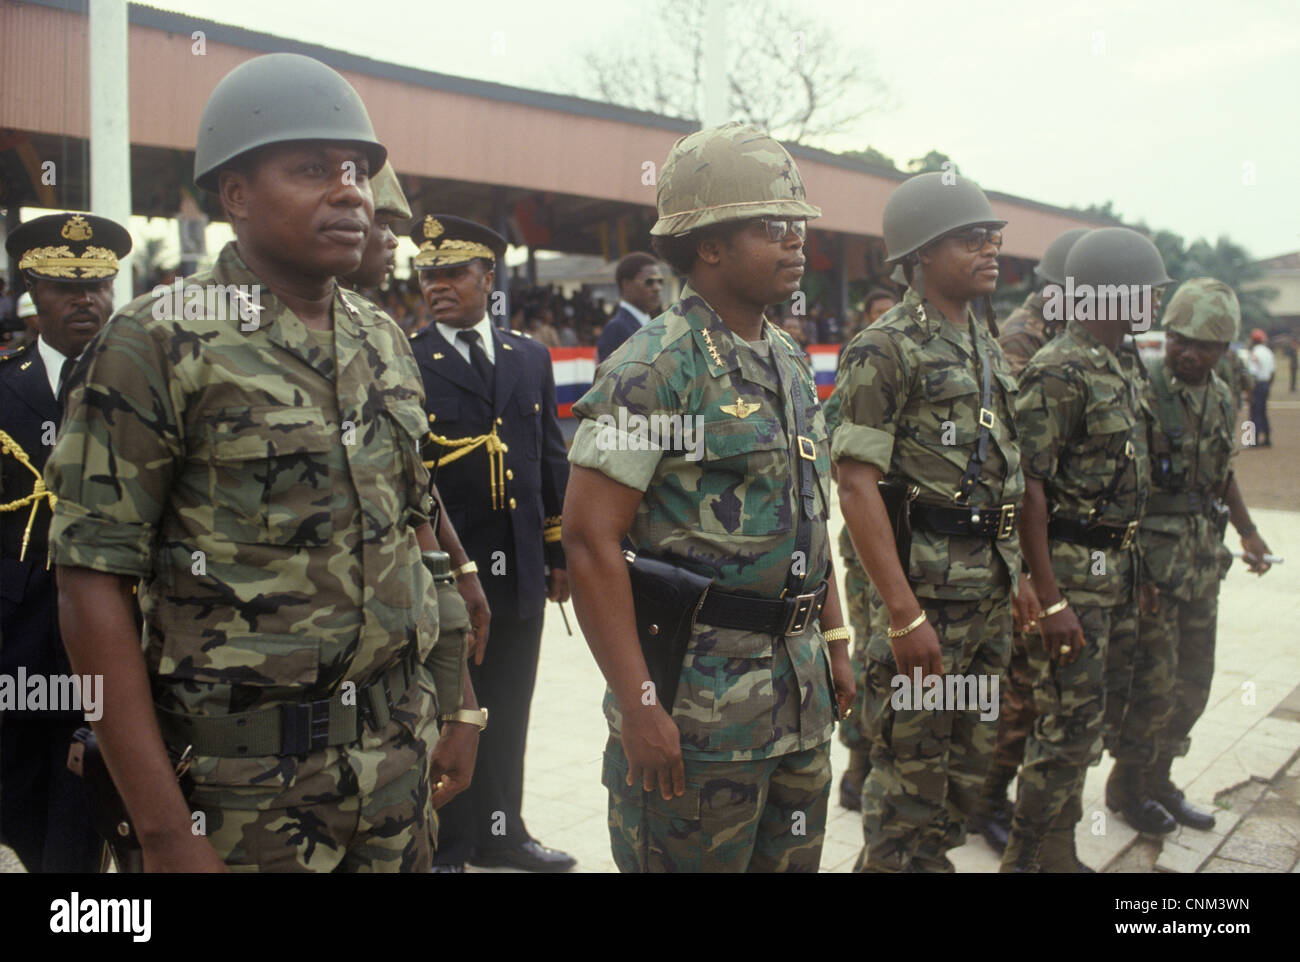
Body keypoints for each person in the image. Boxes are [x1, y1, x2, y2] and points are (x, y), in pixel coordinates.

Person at [45, 52, 480, 873]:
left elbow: (412, 534)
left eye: (355, 170)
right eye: (312, 169)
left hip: (393, 771)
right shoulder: (155, 344)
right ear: (235, 195)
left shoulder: (383, 338)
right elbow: (91, 585)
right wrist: (169, 835)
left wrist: (461, 706)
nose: (349, 190)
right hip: (238, 797)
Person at [564, 122, 853, 873]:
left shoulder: (787, 358)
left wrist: (836, 639)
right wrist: (639, 705)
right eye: (771, 226)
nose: (795, 242)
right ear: (710, 245)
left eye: (796, 226)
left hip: (796, 697)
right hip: (697, 711)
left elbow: (809, 512)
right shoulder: (654, 367)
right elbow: (590, 538)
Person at [833, 172, 1026, 873]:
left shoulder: (983, 341)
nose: (990, 248)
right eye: (970, 239)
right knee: (909, 777)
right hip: (927, 603)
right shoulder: (884, 348)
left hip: (987, 598)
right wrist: (902, 613)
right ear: (921, 254)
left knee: (964, 775)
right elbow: (856, 487)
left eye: (992, 237)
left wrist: (1026, 580)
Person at [408, 214, 574, 873]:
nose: (438, 287)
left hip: (521, 568)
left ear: (487, 279)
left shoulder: (528, 356)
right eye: (428, 276)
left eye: (452, 274)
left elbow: (549, 459)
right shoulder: (409, 357)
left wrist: (557, 550)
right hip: (449, 572)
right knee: (450, 707)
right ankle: (446, 843)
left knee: (509, 702)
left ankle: (503, 832)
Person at [1003, 227, 1170, 872]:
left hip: (1117, 575)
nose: (1156, 300)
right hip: (1070, 578)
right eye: (1149, 290)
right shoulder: (1058, 368)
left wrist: (1142, 569)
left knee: (1088, 725)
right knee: (1063, 728)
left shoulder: (1123, 362)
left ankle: (1057, 849)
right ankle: (1026, 859)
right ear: (1112, 293)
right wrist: (1048, 600)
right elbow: (1030, 493)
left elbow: (1131, 481)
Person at [0, 212, 132, 872]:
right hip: (16, 634)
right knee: (18, 798)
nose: (84, 298)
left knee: (82, 820)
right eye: (63, 285)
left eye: (98, 283)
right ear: (30, 289)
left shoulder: (140, 390)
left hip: (114, 633)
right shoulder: (5, 386)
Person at [1120, 278, 1273, 830]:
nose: (1187, 352)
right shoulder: (1142, 390)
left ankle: (1159, 778)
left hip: (1202, 563)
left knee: (1193, 685)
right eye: (1179, 339)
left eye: (1202, 346)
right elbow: (1121, 490)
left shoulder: (1223, 391)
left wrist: (1248, 531)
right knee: (1152, 689)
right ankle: (1129, 787)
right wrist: (1134, 570)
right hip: (1154, 568)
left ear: (1224, 351)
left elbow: (1221, 472)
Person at [972, 226, 1089, 852]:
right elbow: (1010, 459)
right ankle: (986, 800)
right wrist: (1020, 570)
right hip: (1019, 538)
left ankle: (995, 794)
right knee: (1019, 688)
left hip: (1048, 540)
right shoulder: (1023, 339)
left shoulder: (1064, 338)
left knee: (1033, 687)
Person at [595, 252, 664, 362]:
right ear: (626, 284)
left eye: (660, 281)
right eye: (649, 282)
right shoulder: (617, 329)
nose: (657, 288)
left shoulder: (651, 325)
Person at [1245, 329, 1274, 446]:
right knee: (1263, 411)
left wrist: (1249, 391)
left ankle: (1253, 440)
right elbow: (1272, 373)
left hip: (1256, 384)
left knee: (1254, 412)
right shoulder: (1269, 352)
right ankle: (1267, 438)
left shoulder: (1254, 353)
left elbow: (1252, 374)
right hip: (1266, 383)